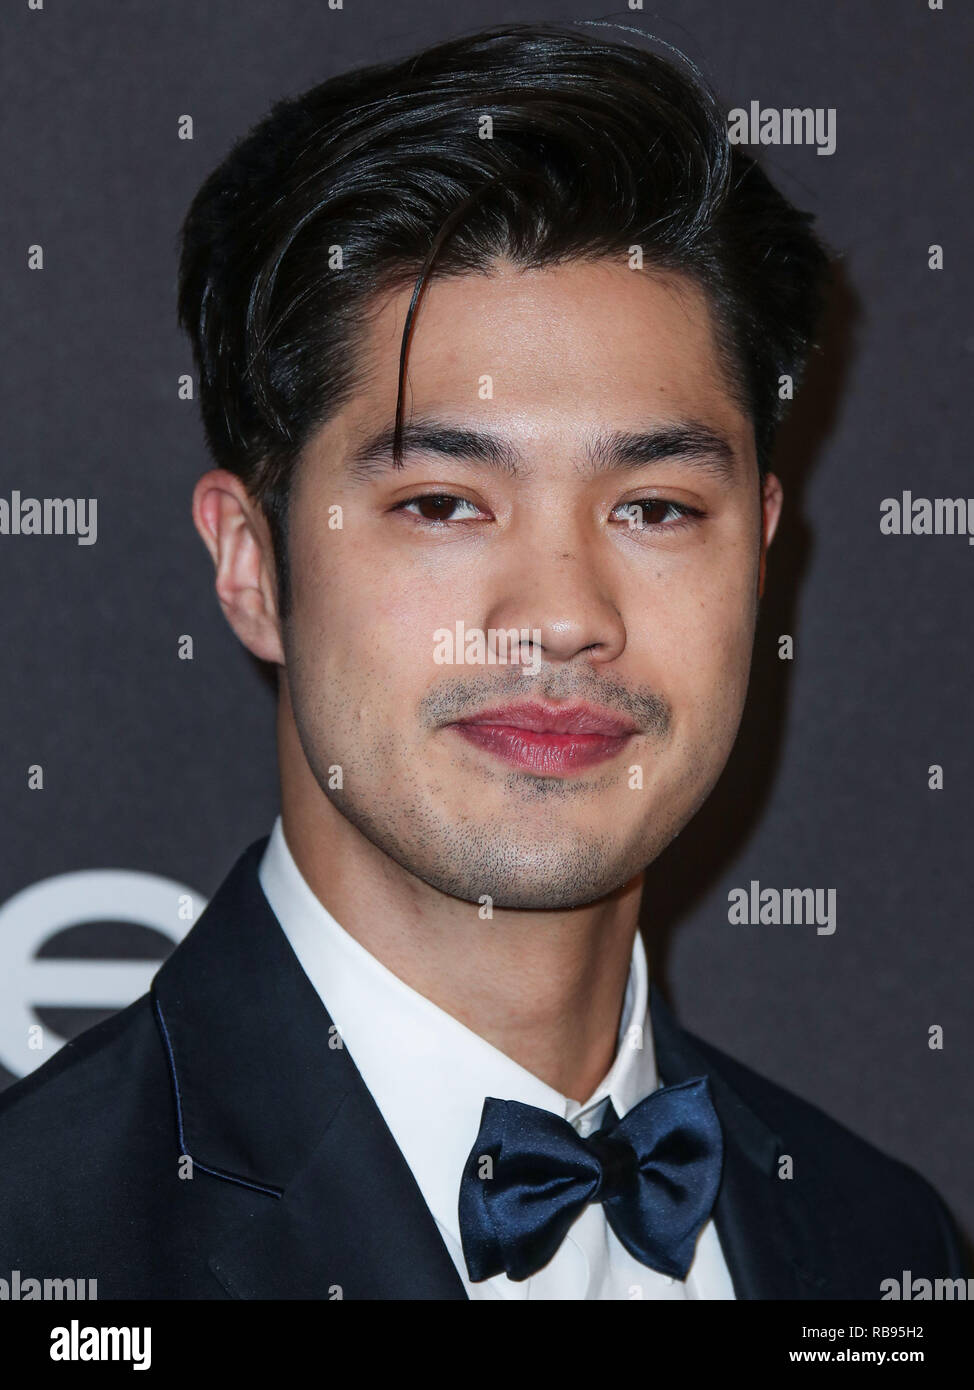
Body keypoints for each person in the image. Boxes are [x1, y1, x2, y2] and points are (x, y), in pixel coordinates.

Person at [0, 22, 966, 1300]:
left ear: (760, 554)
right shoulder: (42, 1245)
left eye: (656, 507)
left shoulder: (875, 1243)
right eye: (443, 504)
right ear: (250, 565)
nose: (562, 615)